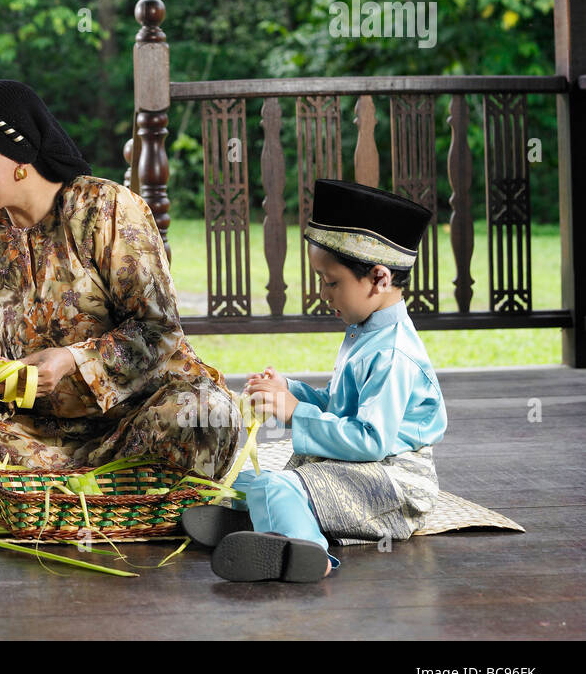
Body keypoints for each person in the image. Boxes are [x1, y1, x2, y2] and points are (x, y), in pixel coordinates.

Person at [0, 79, 242, 479]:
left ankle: (54, 490)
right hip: (41, 436)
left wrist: (72, 360)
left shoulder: (105, 210)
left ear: (19, 157)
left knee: (205, 416)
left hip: (140, 417)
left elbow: (159, 330)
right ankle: (100, 484)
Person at [181, 179, 447, 582]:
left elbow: (370, 440)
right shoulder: (368, 331)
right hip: (363, 468)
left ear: (379, 278)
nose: (325, 294)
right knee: (247, 478)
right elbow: (341, 407)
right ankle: (263, 526)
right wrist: (290, 392)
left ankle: (309, 554)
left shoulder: (393, 354)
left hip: (394, 485)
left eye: (331, 281)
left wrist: (295, 413)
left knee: (275, 486)